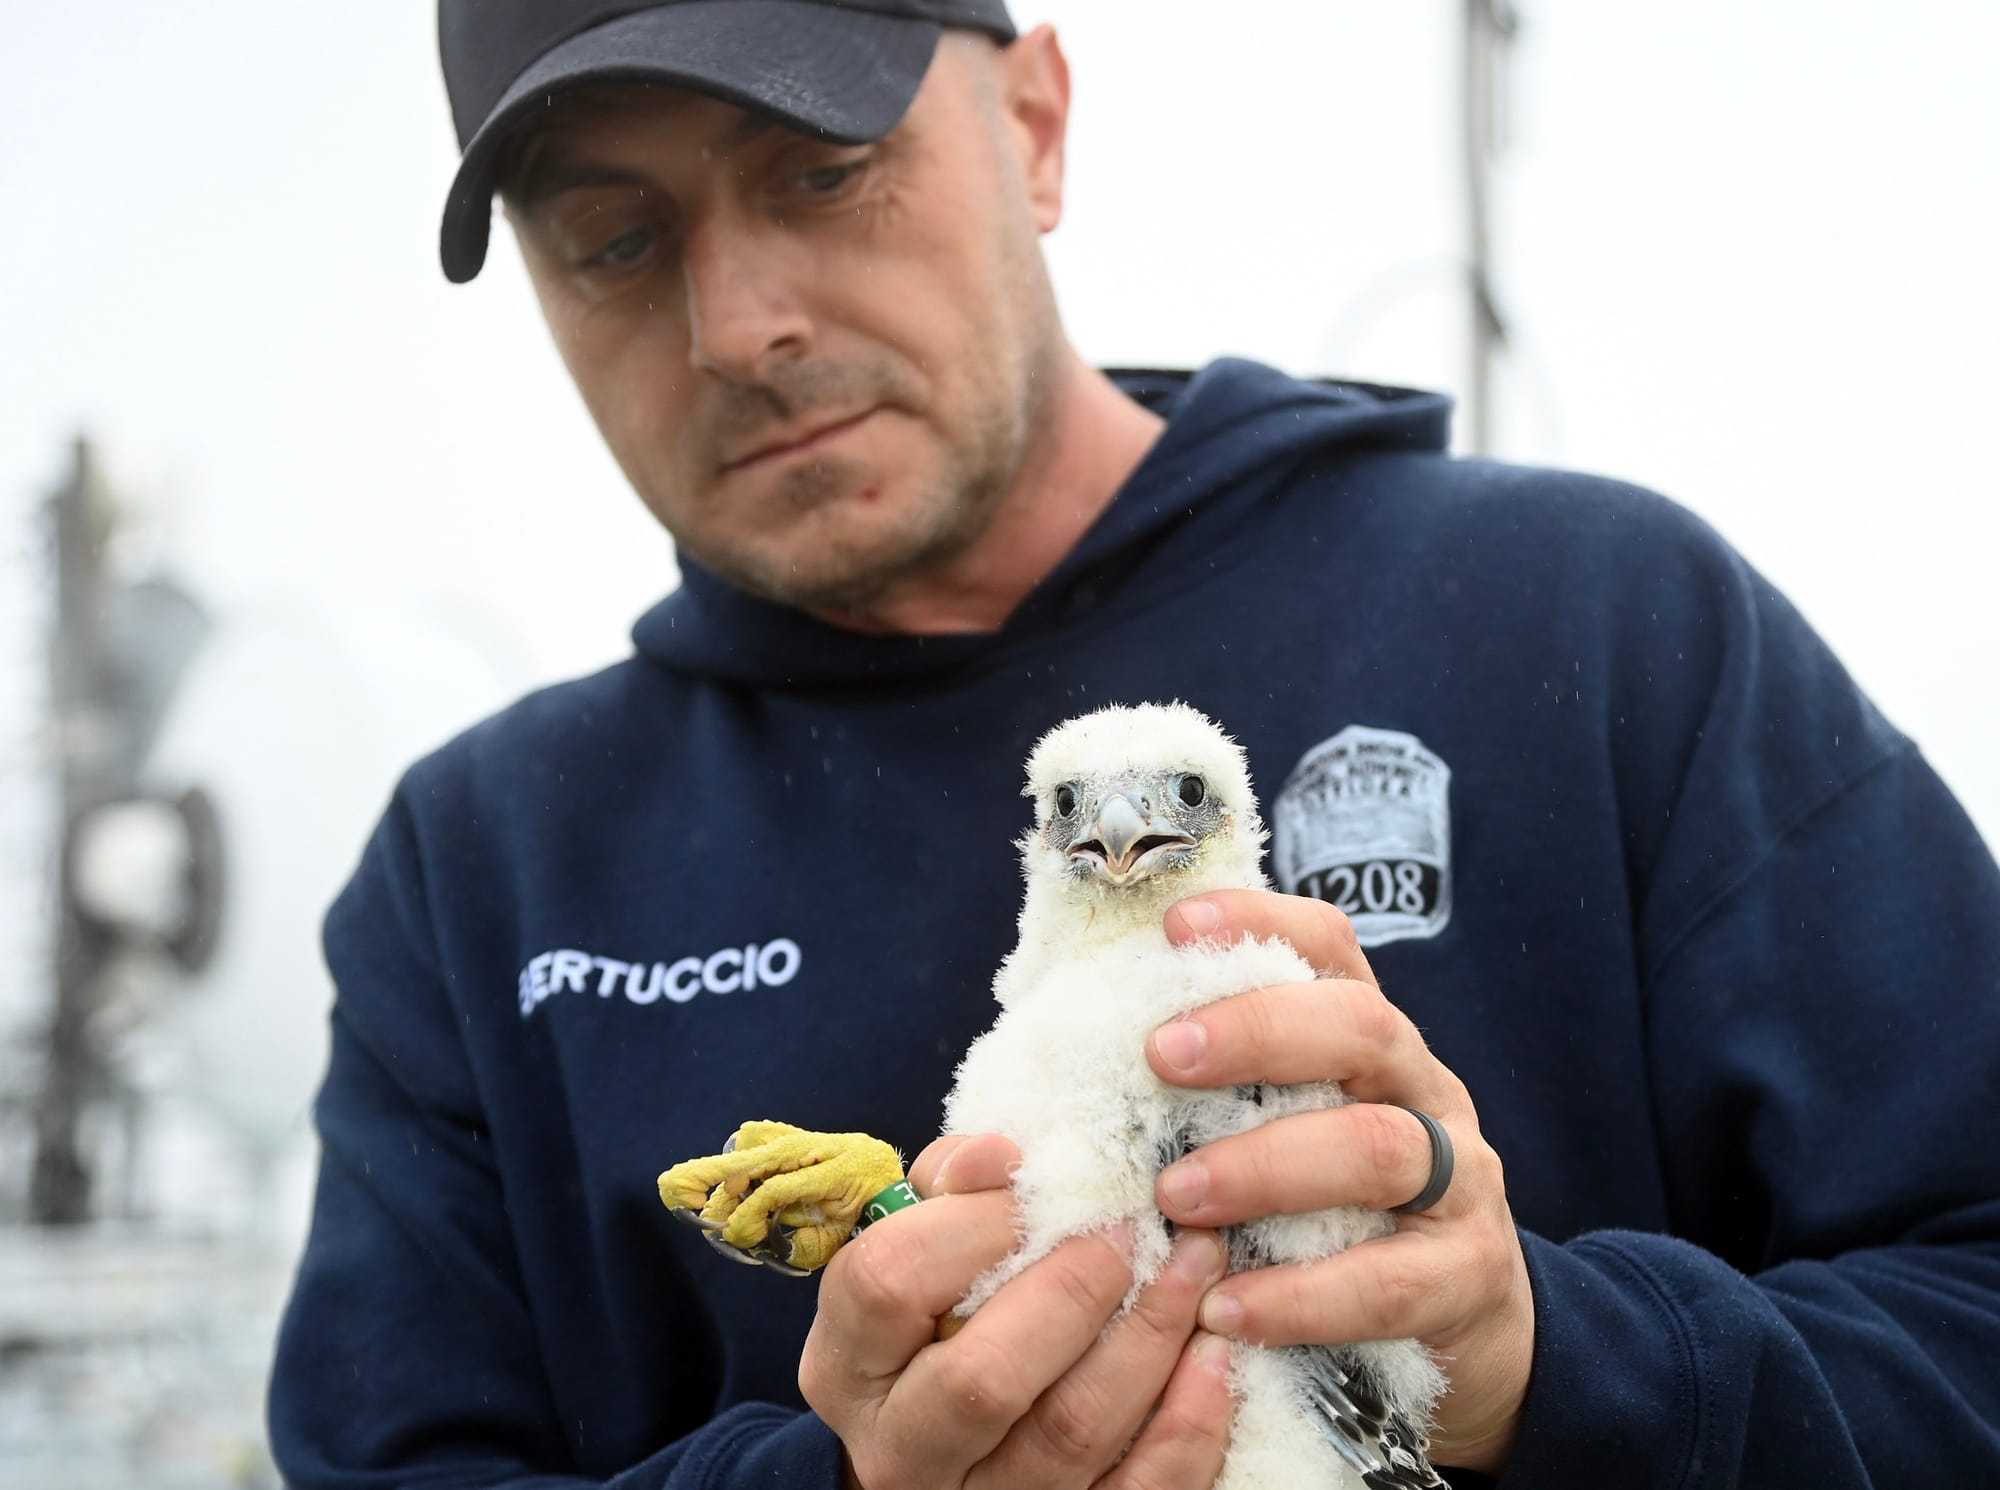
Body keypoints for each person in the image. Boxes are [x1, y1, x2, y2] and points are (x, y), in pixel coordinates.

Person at [268, 1, 2000, 1486]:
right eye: (616, 240)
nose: (742, 326)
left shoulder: (1603, 622)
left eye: (819, 170)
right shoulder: (483, 871)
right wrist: (851, 1468)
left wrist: (1545, 1353)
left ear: (1034, 124)